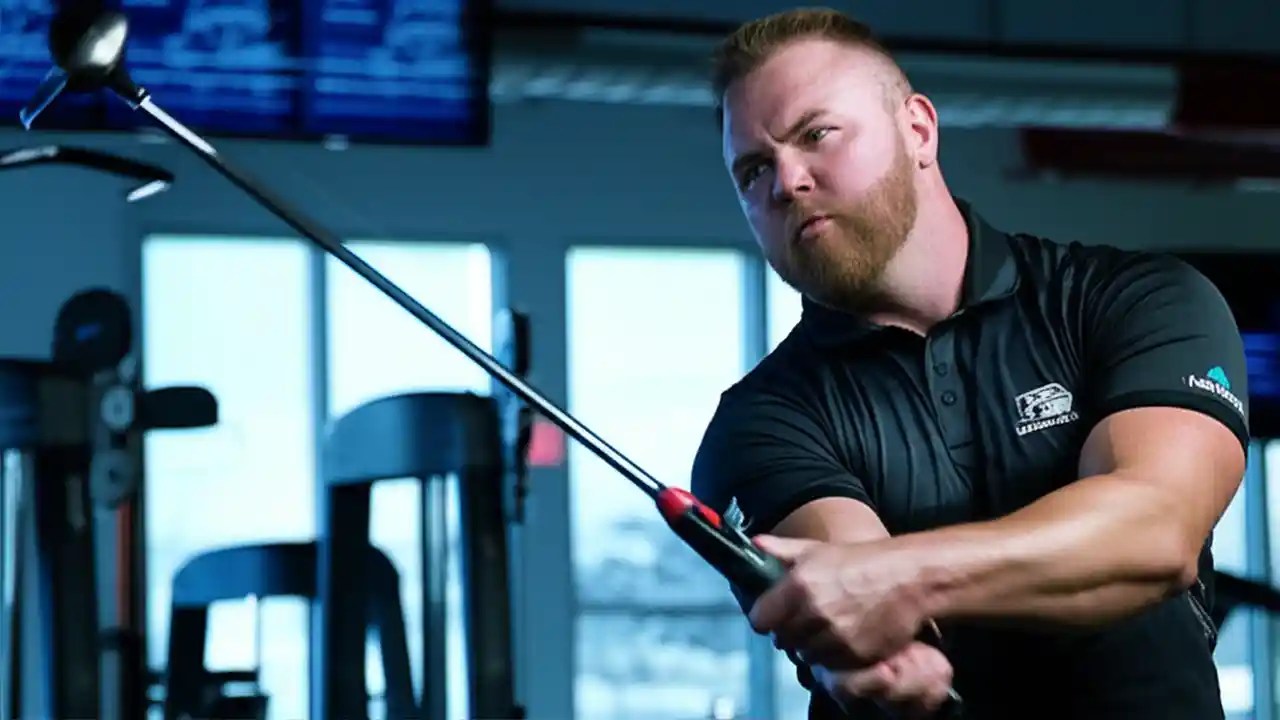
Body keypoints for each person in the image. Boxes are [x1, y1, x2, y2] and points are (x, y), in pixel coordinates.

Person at [690, 7, 1249, 720]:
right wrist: (872, 653)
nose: (785, 180)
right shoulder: (760, 419)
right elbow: (850, 598)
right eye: (753, 169)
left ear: (917, 130)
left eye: (816, 134)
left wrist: (899, 577)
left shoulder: (1137, 302)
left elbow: (1154, 528)